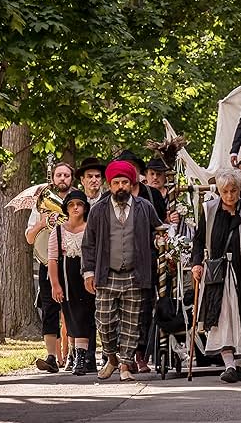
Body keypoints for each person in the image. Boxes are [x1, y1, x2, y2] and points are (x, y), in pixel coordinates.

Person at [81, 160, 162, 381]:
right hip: (107, 274)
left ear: (131, 183)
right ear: (110, 184)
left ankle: (125, 366)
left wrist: (163, 238)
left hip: (135, 274)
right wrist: (88, 272)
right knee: (104, 322)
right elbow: (88, 244)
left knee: (130, 323)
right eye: (116, 182)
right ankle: (112, 359)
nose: (120, 187)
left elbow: (160, 229)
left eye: (125, 182)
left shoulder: (144, 207)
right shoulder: (98, 210)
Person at [191, 168, 241, 383]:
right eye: (225, 191)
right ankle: (229, 366)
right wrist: (196, 263)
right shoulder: (208, 210)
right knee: (224, 317)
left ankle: (239, 365)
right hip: (219, 274)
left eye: (233, 190)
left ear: (239, 189)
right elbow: (198, 240)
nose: (229, 196)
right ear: (218, 191)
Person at [111, 150, 165, 373]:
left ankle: (140, 353)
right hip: (118, 262)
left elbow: (161, 227)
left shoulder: (151, 196)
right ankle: (123, 354)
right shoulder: (110, 198)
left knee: (143, 308)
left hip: (146, 260)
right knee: (120, 310)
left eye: (132, 168)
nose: (129, 172)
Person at [27, 162, 74, 373]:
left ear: (71, 178)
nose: (62, 178)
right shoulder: (41, 205)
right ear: (53, 179)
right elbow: (29, 238)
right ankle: (51, 357)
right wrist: (41, 223)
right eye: (58, 175)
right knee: (49, 309)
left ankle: (74, 353)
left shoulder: (76, 202)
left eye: (66, 175)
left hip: (72, 260)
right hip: (47, 262)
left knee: (74, 308)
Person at [47, 190, 96, 375]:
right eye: (71, 205)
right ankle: (75, 354)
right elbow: (52, 259)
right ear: (66, 209)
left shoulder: (91, 228)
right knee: (71, 316)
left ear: (85, 207)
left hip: (86, 277)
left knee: (83, 315)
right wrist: (55, 284)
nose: (75, 208)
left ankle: (81, 359)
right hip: (67, 279)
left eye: (79, 204)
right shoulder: (58, 231)